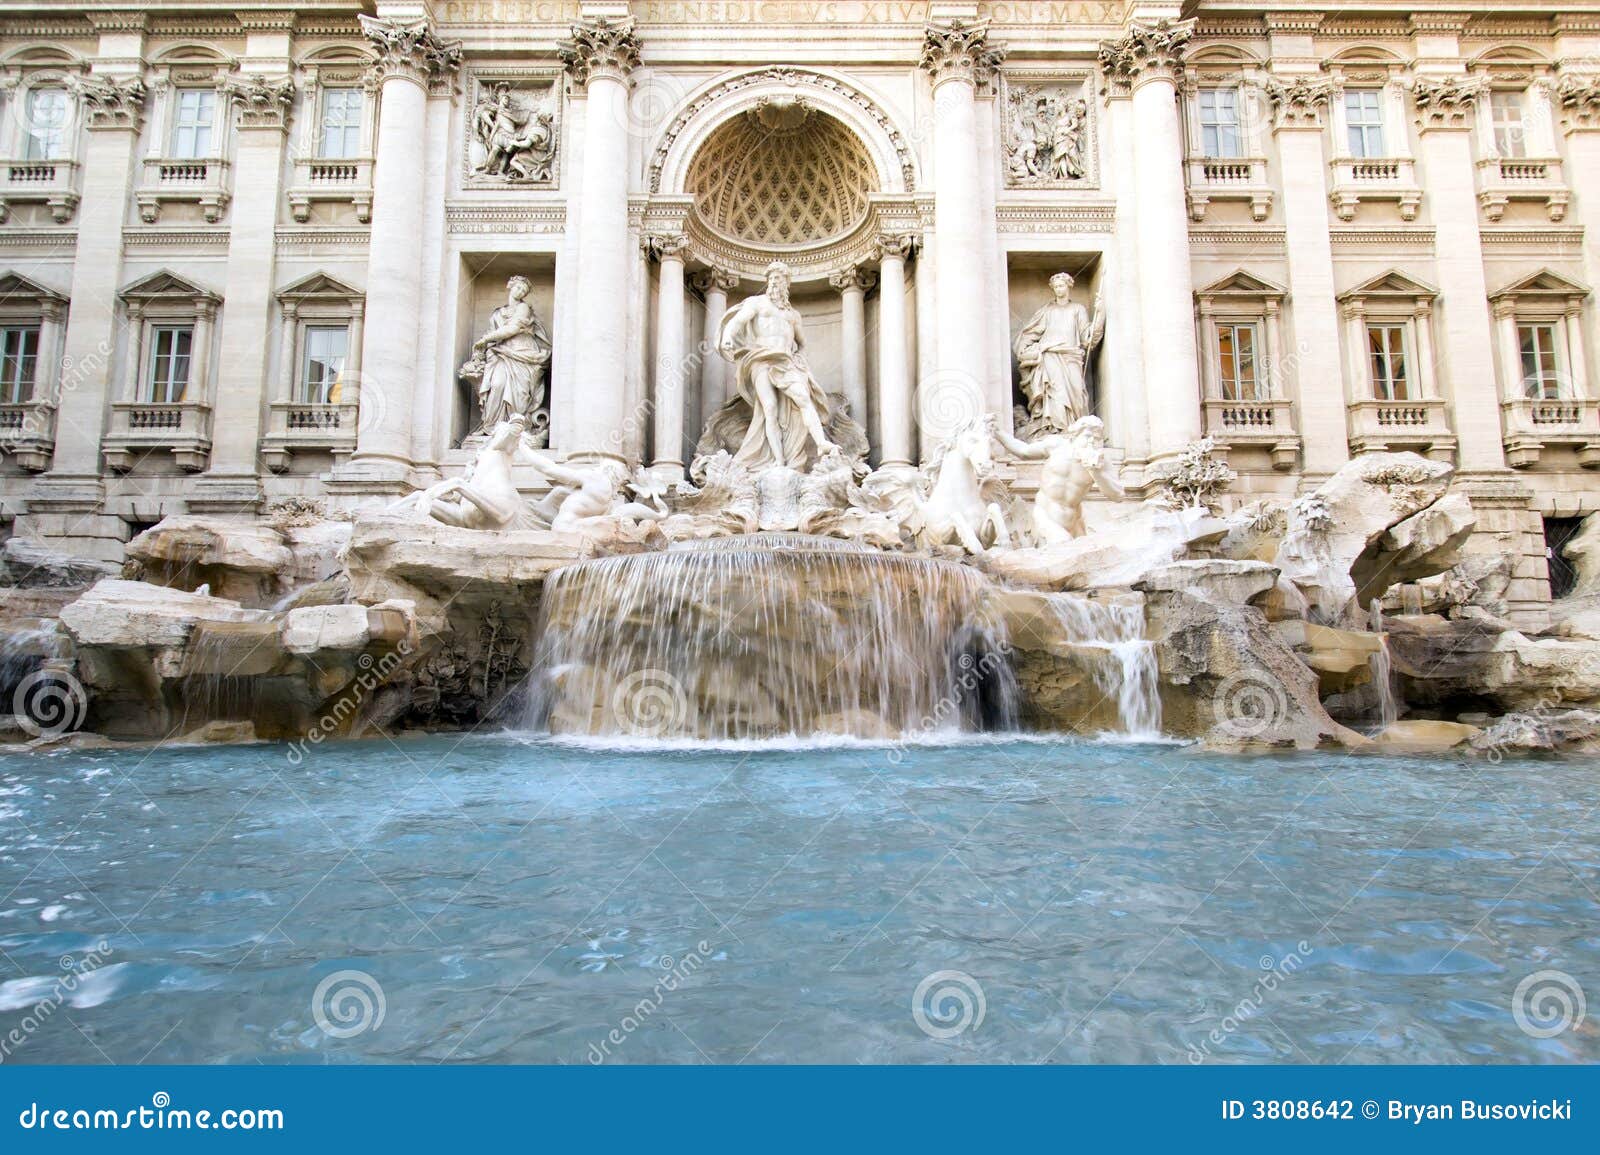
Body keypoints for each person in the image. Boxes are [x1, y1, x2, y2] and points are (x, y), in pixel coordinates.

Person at [717, 261, 838, 470]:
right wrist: (727, 337)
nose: (774, 283)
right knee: (769, 408)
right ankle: (779, 460)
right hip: (761, 360)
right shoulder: (757, 303)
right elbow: (737, 322)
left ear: (786, 284)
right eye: (771, 279)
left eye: (778, 279)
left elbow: (802, 343)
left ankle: (821, 443)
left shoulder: (793, 315)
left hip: (785, 362)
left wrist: (799, 358)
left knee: (804, 398)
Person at [994, 414, 1125, 544]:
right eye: (1087, 436)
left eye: (1096, 439)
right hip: (1045, 515)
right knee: (1062, 542)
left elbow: (1118, 495)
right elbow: (1023, 451)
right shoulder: (1057, 446)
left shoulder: (1100, 461)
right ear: (1076, 435)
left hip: (1074, 522)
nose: (1091, 442)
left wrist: (1096, 472)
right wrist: (997, 432)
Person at [1014, 272, 1104, 433]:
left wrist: (1100, 314)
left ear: (1069, 286)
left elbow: (1088, 339)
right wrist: (1026, 349)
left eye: (1061, 286)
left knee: (1077, 392)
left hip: (1071, 356)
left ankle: (1075, 430)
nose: (1058, 290)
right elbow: (1030, 334)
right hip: (1050, 356)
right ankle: (1054, 429)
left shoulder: (1078, 309)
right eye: (1055, 287)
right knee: (1055, 393)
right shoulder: (1046, 311)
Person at [471, 275, 550, 435]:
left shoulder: (523, 308)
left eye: (524, 290)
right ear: (510, 286)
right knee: (497, 384)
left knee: (519, 392)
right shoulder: (497, 313)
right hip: (501, 353)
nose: (520, 292)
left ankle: (515, 428)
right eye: (518, 287)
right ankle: (491, 427)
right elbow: (494, 333)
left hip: (522, 352)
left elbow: (512, 329)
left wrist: (485, 339)